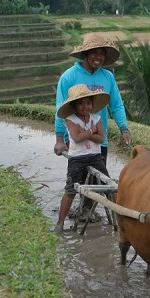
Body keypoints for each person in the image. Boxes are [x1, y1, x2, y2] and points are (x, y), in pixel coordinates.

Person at [54, 33, 131, 161]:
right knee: (78, 178)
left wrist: (124, 129)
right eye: (94, 52)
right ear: (86, 53)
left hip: (99, 139)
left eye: (102, 53)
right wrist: (60, 139)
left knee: (98, 179)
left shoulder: (108, 77)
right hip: (76, 140)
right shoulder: (69, 77)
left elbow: (116, 105)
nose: (98, 57)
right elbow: (60, 109)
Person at [52, 84, 111, 232]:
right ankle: (60, 224)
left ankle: (122, 218)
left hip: (95, 157)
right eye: (81, 103)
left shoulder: (96, 117)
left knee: (110, 187)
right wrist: (92, 131)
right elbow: (77, 138)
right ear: (74, 105)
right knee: (70, 190)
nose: (85, 107)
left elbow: (101, 138)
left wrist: (85, 133)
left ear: (92, 103)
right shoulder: (70, 119)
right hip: (77, 159)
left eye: (88, 103)